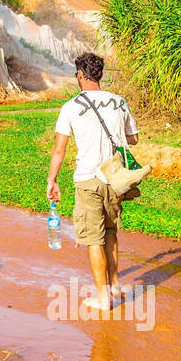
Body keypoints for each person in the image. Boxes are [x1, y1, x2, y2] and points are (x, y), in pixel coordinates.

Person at [45, 52, 140, 312]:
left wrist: (52, 180)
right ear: (99, 74)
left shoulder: (71, 107)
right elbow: (133, 139)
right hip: (114, 179)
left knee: (94, 239)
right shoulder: (119, 102)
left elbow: (59, 150)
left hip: (88, 179)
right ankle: (115, 285)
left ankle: (102, 297)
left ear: (80, 75)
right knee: (110, 233)